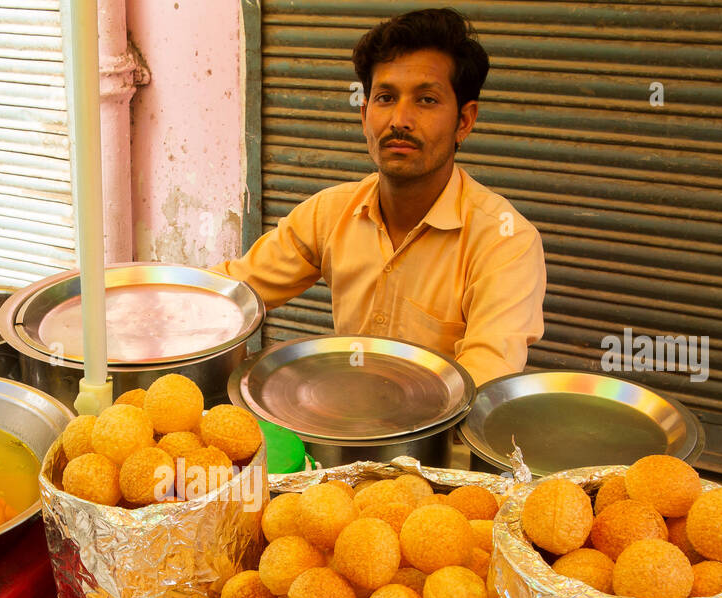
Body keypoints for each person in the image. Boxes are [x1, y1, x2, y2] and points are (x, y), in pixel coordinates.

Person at [214, 8, 546, 387]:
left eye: (426, 100)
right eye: (386, 97)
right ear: (364, 114)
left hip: (441, 444)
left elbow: (482, 380)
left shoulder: (506, 241)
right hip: (343, 431)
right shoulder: (329, 213)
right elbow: (230, 294)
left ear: (465, 121)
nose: (399, 120)